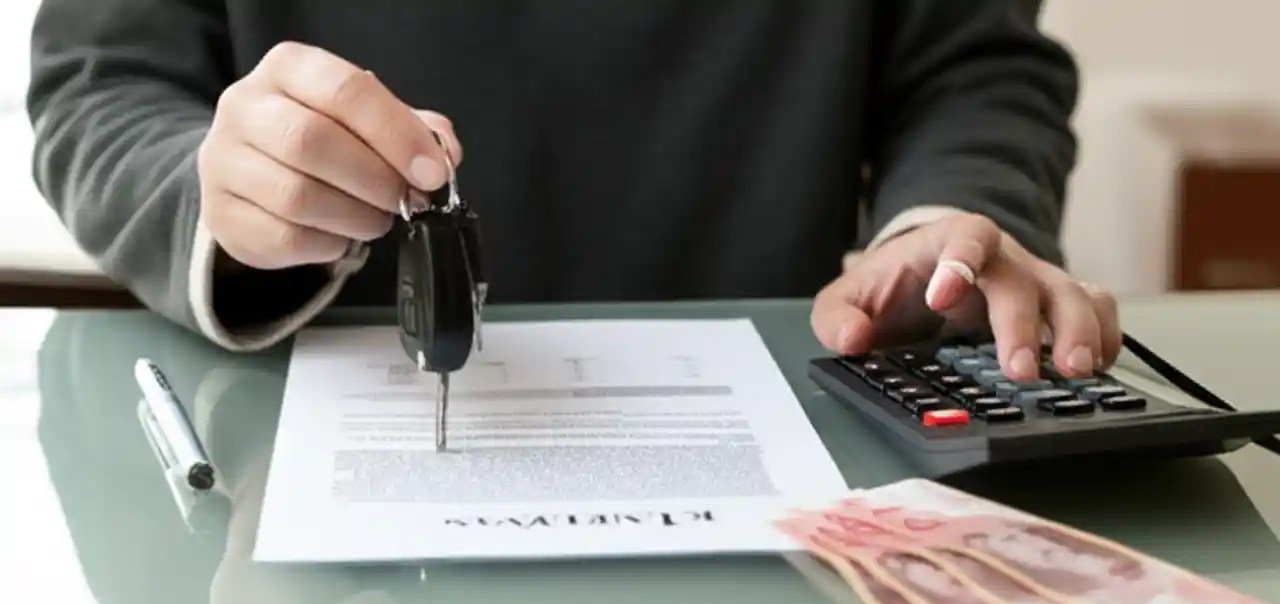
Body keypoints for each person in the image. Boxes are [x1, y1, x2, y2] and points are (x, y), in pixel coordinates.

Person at [27, 0, 1119, 382]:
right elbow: (104, 84)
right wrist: (225, 200)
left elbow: (972, 68)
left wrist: (942, 221)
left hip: (797, 423)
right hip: (284, 443)